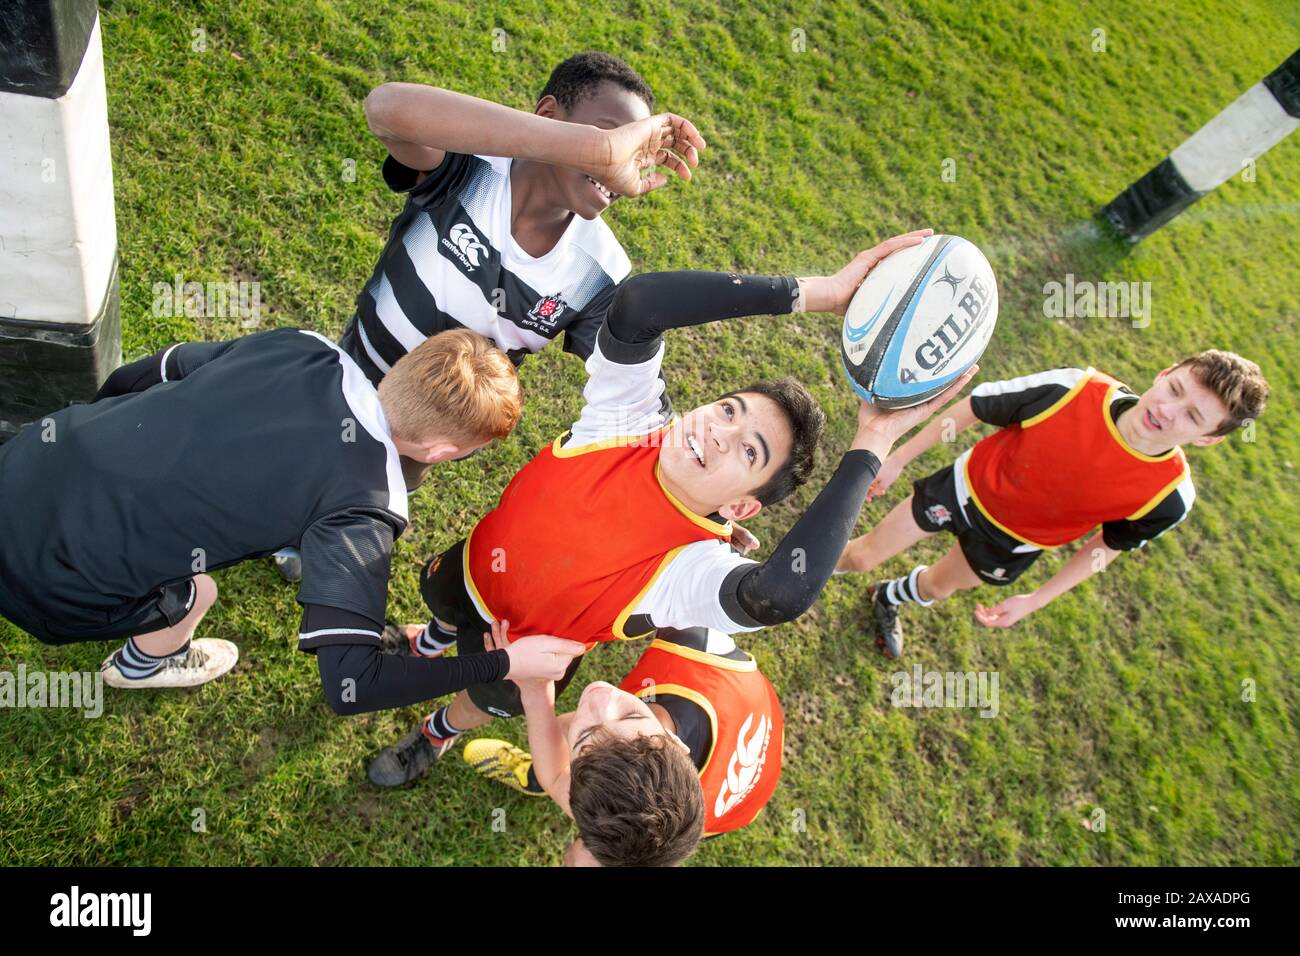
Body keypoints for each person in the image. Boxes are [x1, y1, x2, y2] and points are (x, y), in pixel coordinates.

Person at [365, 228, 978, 786]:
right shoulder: (628, 422)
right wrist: (820, 293)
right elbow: (637, 306)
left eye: (748, 449)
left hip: (525, 652)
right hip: (472, 566)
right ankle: (427, 642)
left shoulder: (691, 568)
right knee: (444, 608)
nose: (719, 431)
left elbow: (779, 595)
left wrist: (872, 440)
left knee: (481, 697)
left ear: (742, 505)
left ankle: (435, 734)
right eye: (729, 409)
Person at [273, 51, 706, 580]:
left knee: (380, 483)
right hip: (353, 369)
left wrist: (699, 497)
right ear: (548, 119)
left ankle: (309, 539)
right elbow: (386, 109)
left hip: (428, 427)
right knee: (301, 453)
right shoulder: (469, 168)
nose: (620, 160)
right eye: (610, 136)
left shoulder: (600, 270)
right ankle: (277, 514)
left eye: (633, 149)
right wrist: (594, 149)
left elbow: (628, 384)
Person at [0, 327, 584, 707]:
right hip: (45, 584)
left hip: (27, 460)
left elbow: (145, 376)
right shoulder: (367, 501)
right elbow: (353, 684)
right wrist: (504, 661)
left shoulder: (306, 346)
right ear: (441, 453)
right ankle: (141, 663)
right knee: (197, 593)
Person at [836, 351, 1269, 657]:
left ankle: (889, 597)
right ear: (1164, 372)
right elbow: (976, 406)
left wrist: (1036, 599)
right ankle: (780, 581)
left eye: (1193, 417)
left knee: (936, 587)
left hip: (1013, 545)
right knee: (861, 556)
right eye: (1175, 389)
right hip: (965, 490)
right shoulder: (1075, 389)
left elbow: (1105, 548)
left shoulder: (1170, 498)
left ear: (1208, 438)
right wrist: (897, 460)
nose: (1169, 410)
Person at [466, 623, 783, 867]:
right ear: (673, 742)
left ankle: (535, 777)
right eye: (630, 715)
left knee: (587, 859)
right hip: (746, 752)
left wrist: (534, 693)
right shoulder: (697, 643)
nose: (601, 699)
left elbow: (557, 778)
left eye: (588, 737)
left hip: (731, 807)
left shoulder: (633, 814)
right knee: (566, 733)